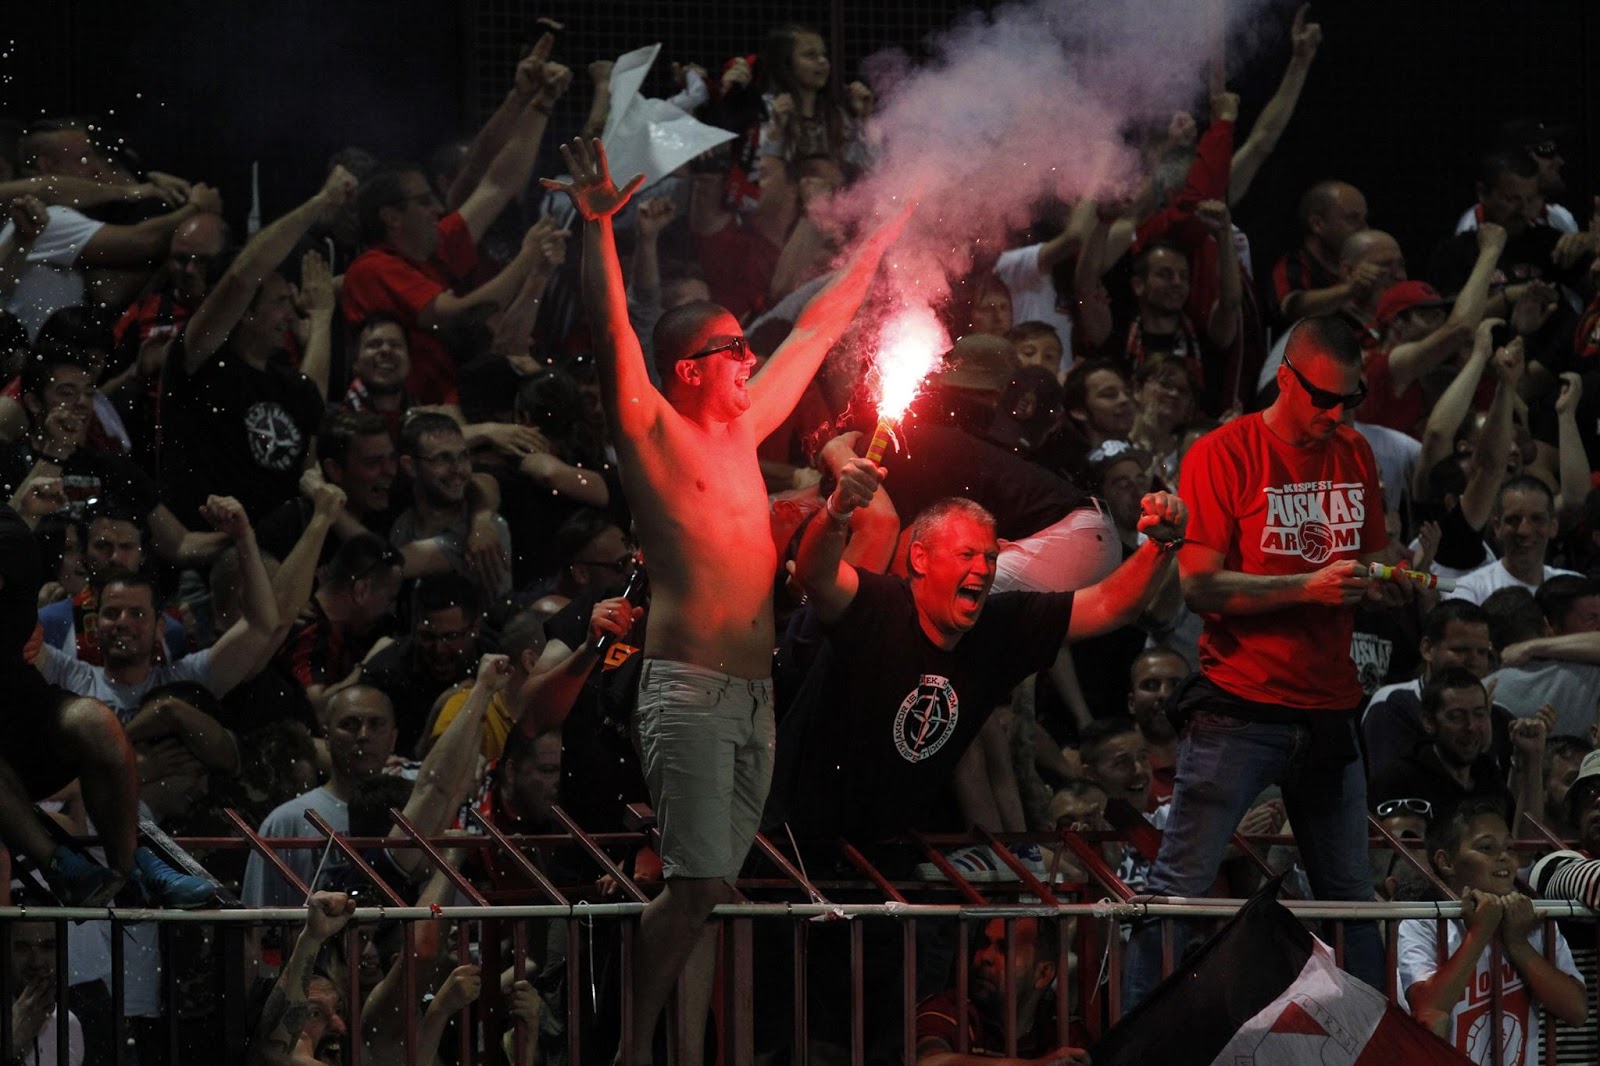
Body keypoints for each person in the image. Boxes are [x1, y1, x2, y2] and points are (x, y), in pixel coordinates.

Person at [542, 134, 907, 1066]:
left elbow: (817, 328)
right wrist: (601, 229)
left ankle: (651, 1045)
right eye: (732, 346)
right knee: (699, 886)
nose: (751, 356)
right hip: (691, 690)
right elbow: (614, 335)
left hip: (753, 696)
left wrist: (883, 234)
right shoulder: (654, 435)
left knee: (712, 887)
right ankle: (627, 1051)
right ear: (688, 370)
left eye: (748, 344)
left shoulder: (743, 435)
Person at [1122, 315, 1407, 1006]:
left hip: (1330, 707)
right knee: (1179, 891)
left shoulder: (1354, 451)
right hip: (1240, 704)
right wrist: (1307, 587)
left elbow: (1373, 557)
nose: (1337, 415)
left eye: (1351, 399)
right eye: (1324, 399)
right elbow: (1199, 587)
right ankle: (1137, 1042)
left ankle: (1372, 1045)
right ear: (1286, 378)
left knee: (1351, 898)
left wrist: (1384, 579)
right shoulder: (1223, 452)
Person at [1399, 797, 1586, 1063]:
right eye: (1486, 847)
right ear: (1446, 862)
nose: (1504, 857)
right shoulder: (1422, 924)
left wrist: (1518, 943)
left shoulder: (1532, 921)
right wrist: (1479, 934)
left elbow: (1577, 1011)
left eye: (1508, 847)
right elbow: (1428, 1012)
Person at [913, 917, 1090, 1065]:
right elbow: (928, 1061)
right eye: (984, 944)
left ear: (1043, 974)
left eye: (1004, 949)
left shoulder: (1062, 1030)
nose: (985, 956)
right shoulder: (949, 1009)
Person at [1452, 477, 1579, 605]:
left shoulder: (1576, 588)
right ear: (1497, 527)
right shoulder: (1471, 591)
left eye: (1537, 519)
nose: (1524, 531)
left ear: (1553, 526)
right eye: (1513, 520)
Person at [6, 916, 85, 1065]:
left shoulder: (69, 1025)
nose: (36, 961)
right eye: (23, 948)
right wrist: (12, 1044)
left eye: (48, 947)